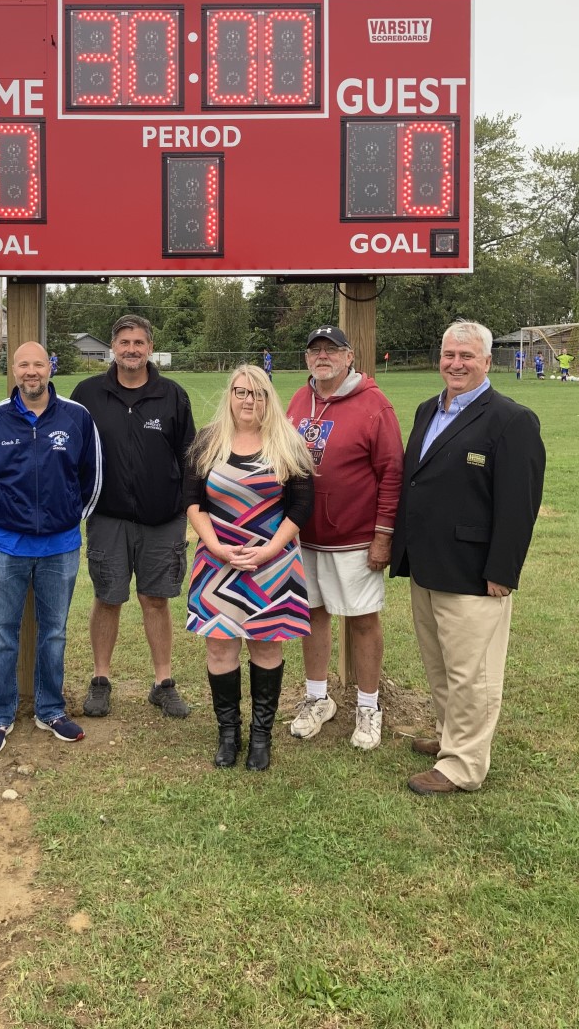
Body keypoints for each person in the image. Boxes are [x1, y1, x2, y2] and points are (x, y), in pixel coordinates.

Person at [390, 320, 546, 795]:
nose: (456, 364)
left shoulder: (511, 420)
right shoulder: (426, 410)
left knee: (472, 674)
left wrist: (502, 570)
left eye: (467, 356)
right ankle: (447, 737)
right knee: (439, 664)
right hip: (427, 563)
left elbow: (520, 504)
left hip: (475, 571)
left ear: (486, 360)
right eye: (449, 355)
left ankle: (463, 766)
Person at [0, 342, 102, 755]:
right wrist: (3, 518)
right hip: (7, 545)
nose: (31, 372)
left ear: (49, 368)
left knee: (54, 632)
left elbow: (93, 477)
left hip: (60, 545)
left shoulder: (77, 418)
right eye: (23, 365)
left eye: (38, 364)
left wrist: (68, 520)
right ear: (14, 370)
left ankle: (51, 709)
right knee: (3, 632)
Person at [185, 364, 313, 770]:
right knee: (220, 645)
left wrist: (268, 551)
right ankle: (228, 733)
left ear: (268, 398)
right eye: (241, 392)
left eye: (257, 394)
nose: (248, 400)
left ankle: (261, 737)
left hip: (271, 566)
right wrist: (217, 547)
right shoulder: (208, 441)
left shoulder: (288, 443)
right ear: (230, 395)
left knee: (265, 644)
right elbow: (192, 502)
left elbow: (301, 506)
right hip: (217, 563)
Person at [285, 325, 404, 751]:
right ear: (307, 358)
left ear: (349, 356)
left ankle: (369, 706)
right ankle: (318, 698)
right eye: (315, 349)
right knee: (312, 615)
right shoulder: (299, 399)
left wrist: (383, 535)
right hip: (304, 535)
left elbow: (392, 474)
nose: (323, 356)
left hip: (354, 537)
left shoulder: (374, 404)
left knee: (362, 619)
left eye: (331, 350)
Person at [71, 315, 196, 720]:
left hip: (163, 520)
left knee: (155, 600)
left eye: (139, 342)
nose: (131, 349)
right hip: (107, 517)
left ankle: (163, 683)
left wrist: (190, 512)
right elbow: (72, 455)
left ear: (149, 347)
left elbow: (189, 459)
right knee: (107, 598)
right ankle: (101, 680)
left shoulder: (172, 395)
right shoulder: (87, 394)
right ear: (113, 346)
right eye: (124, 342)